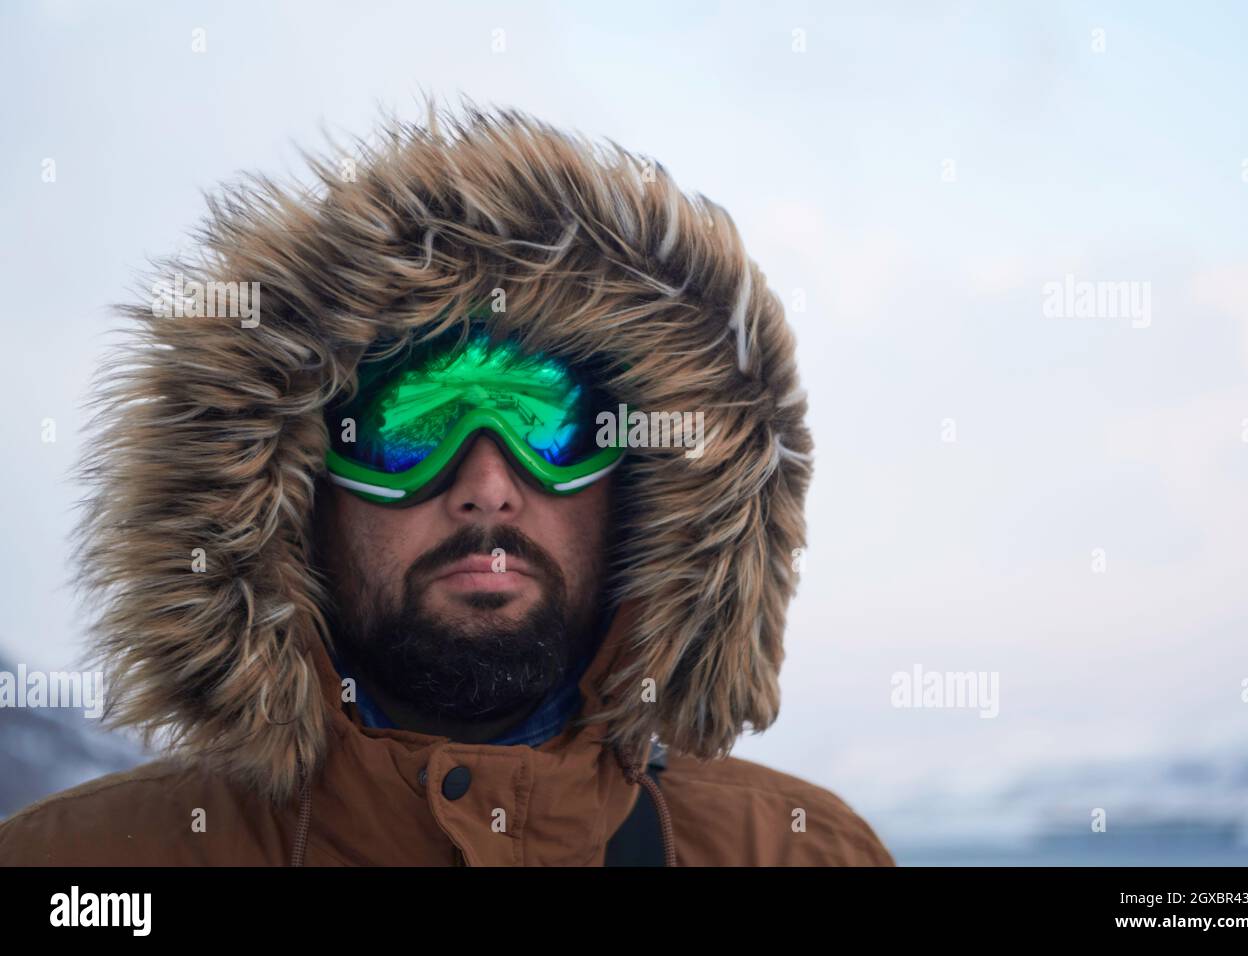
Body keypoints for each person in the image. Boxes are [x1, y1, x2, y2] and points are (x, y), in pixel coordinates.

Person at [0, 101, 893, 866]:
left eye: (552, 425)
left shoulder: (795, 851)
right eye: (407, 426)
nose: (488, 489)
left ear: (648, 494)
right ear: (297, 495)